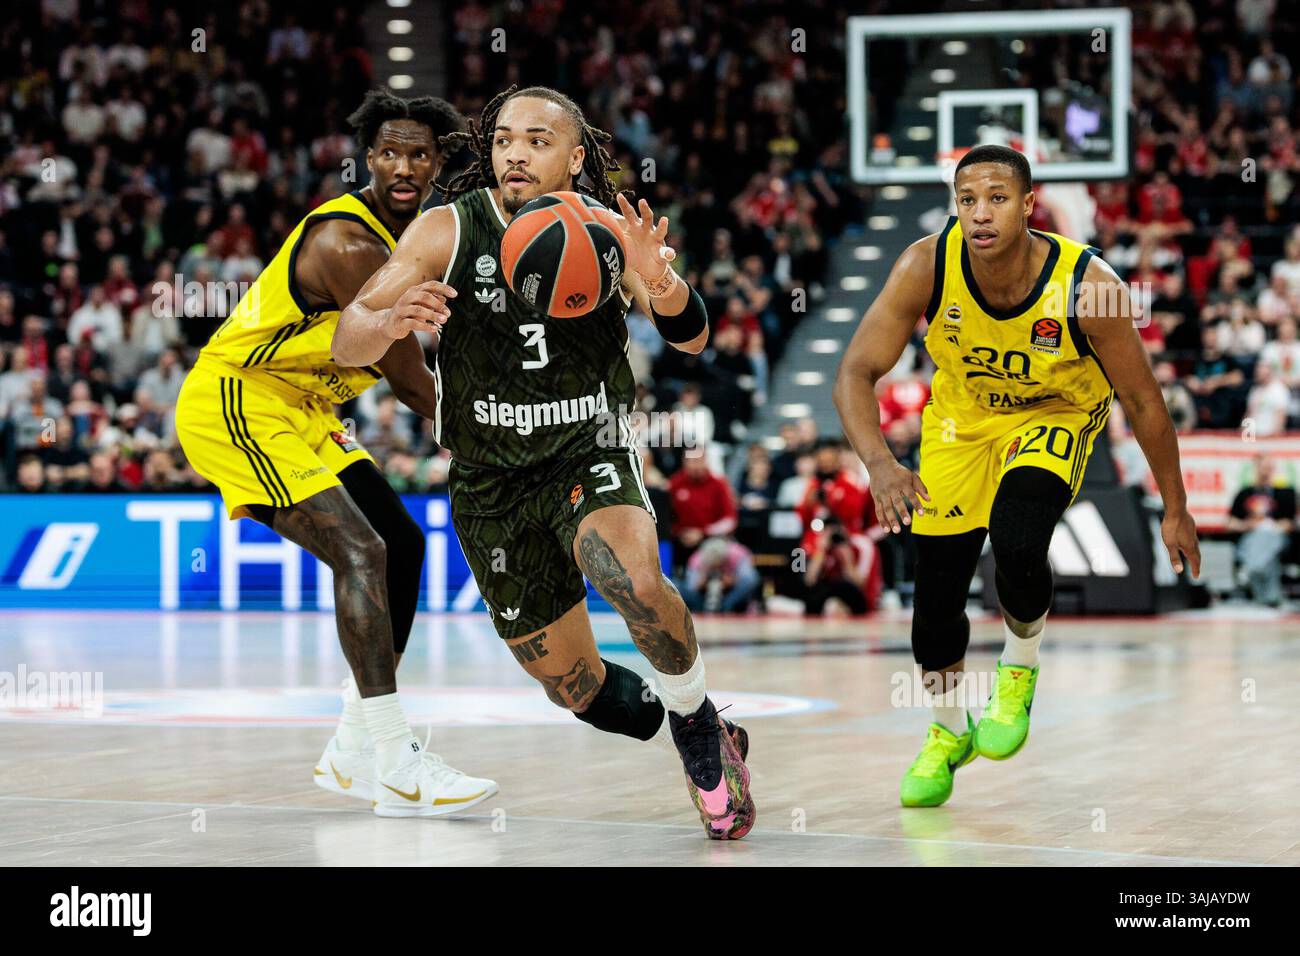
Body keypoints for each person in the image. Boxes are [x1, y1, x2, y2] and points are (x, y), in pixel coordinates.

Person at [332, 85, 755, 839]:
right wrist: (389, 320)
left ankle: (696, 735)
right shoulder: (444, 229)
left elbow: (692, 336)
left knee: (629, 575)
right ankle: (686, 721)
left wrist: (657, 279)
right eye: (502, 140)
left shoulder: (603, 229)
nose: (515, 154)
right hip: (489, 482)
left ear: (574, 155)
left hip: (584, 452)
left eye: (535, 140)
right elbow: (349, 336)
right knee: (578, 689)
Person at [834, 145, 1200, 808]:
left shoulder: (1091, 287)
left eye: (997, 197)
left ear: (1029, 205)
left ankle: (1018, 669)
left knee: (1018, 537)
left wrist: (1175, 506)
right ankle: (948, 733)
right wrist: (881, 463)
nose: (980, 213)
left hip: (1056, 412)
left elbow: (1145, 401)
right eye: (968, 199)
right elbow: (854, 374)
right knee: (936, 596)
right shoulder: (926, 263)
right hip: (962, 422)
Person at [173, 89, 497, 818]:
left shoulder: (416, 236)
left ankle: (356, 744)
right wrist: (513, 436)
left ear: (439, 162)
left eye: (419, 152)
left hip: (305, 407)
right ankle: (396, 759)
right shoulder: (350, 244)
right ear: (369, 158)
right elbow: (413, 382)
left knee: (402, 543)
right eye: (388, 152)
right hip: (239, 401)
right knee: (361, 552)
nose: (403, 165)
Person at [1227, 454, 1296, 607]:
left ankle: (1253, 569)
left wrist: (1273, 525)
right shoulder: (1244, 493)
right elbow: (1231, 523)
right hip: (1251, 538)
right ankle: (1270, 598)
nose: (1265, 472)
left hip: (1275, 537)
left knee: (1265, 539)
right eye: (1262, 467)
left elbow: (1290, 523)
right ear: (1256, 468)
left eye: (1268, 468)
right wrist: (1248, 525)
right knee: (1265, 553)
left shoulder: (1285, 493)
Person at [681, 537, 761, 614]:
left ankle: (726, 606)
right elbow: (691, 586)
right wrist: (703, 583)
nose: (717, 569)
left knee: (751, 580)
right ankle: (701, 608)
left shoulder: (738, 554)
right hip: (703, 595)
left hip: (731, 593)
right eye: (713, 566)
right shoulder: (696, 560)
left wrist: (732, 581)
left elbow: (749, 578)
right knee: (677, 587)